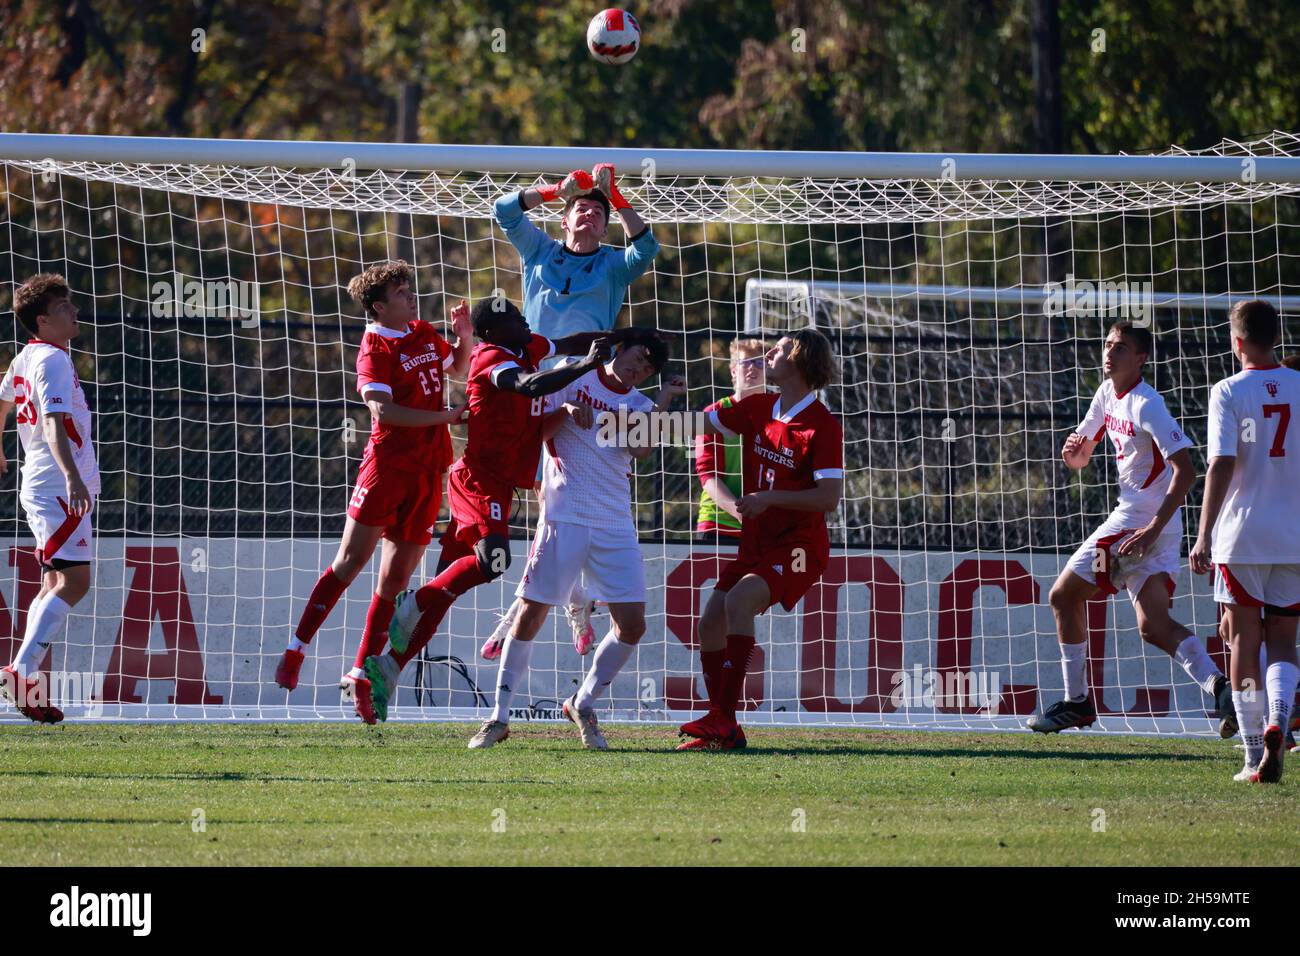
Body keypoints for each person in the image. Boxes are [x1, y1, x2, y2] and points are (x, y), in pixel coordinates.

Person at [362, 298, 644, 724]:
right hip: (478, 481)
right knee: (495, 560)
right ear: (493, 331)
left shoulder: (525, 345)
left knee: (447, 593)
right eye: (512, 316)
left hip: (501, 487)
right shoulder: (491, 356)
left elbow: (569, 339)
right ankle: (411, 602)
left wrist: (622, 338)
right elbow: (530, 386)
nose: (524, 319)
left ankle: (389, 668)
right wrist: (587, 365)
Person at [274, 262, 471, 724]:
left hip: (427, 473)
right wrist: (446, 418)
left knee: (395, 581)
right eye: (402, 293)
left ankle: (362, 674)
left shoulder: (422, 332)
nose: (411, 298)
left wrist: (463, 337)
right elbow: (383, 412)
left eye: (409, 290)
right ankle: (295, 651)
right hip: (386, 469)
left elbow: (457, 368)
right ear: (380, 306)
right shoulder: (373, 345)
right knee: (349, 562)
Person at [481, 162, 661, 658]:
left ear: (606, 227)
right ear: (565, 219)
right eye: (581, 209)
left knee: (564, 498)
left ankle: (535, 610)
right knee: (547, 495)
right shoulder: (538, 250)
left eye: (598, 214)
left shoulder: (612, 265)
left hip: (586, 387)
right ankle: (571, 600)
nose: (589, 216)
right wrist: (557, 189)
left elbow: (647, 248)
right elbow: (503, 210)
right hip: (536, 385)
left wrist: (616, 195)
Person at [471, 334, 684, 749]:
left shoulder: (639, 404)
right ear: (618, 349)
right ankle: (497, 717)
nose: (636, 369)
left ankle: (582, 703)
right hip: (564, 516)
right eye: (635, 357)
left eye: (645, 369)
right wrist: (566, 410)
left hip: (615, 523)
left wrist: (662, 400)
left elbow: (641, 450)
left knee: (633, 624)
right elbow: (534, 432)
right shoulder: (571, 379)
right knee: (530, 614)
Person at [1028, 321, 1233, 733]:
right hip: (1152, 526)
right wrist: (1074, 454)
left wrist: (1154, 528)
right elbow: (1082, 454)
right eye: (1107, 344)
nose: (1109, 352)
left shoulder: (1147, 404)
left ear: (1141, 358)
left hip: (1140, 522)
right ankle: (1224, 691)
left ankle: (1077, 702)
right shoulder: (1107, 393)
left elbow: (1187, 471)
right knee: (1153, 626)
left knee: (1063, 597)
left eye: (1120, 347)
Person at [677, 329, 843, 750]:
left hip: (800, 549)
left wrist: (768, 497)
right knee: (709, 622)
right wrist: (633, 409)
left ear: (802, 362)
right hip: (756, 543)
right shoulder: (756, 406)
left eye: (781, 348)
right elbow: (697, 422)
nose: (770, 352)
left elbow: (828, 499)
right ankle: (724, 726)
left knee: (737, 602)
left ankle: (722, 720)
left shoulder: (821, 426)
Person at [1190, 299, 1300, 782]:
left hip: (1242, 535)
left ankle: (1254, 753)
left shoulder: (1228, 391)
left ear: (1236, 342)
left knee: (1242, 641)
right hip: (1294, 537)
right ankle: (1281, 717)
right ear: (1278, 337)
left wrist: (1203, 535)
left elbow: (1222, 463)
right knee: (1283, 642)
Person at [0, 274, 100, 724]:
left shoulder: (26, 358)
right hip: (57, 488)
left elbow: (2, 403)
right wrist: (73, 478)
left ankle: (23, 676)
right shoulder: (52, 361)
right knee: (75, 582)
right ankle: (21, 671)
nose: (74, 311)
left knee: (52, 583)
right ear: (43, 320)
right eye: (64, 306)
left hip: (42, 486)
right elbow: (54, 425)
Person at [695, 338, 767, 542]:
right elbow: (707, 475)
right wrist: (741, 514)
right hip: (719, 525)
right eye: (746, 363)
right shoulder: (713, 413)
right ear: (734, 371)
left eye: (760, 363)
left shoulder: (780, 414)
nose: (753, 368)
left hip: (767, 526)